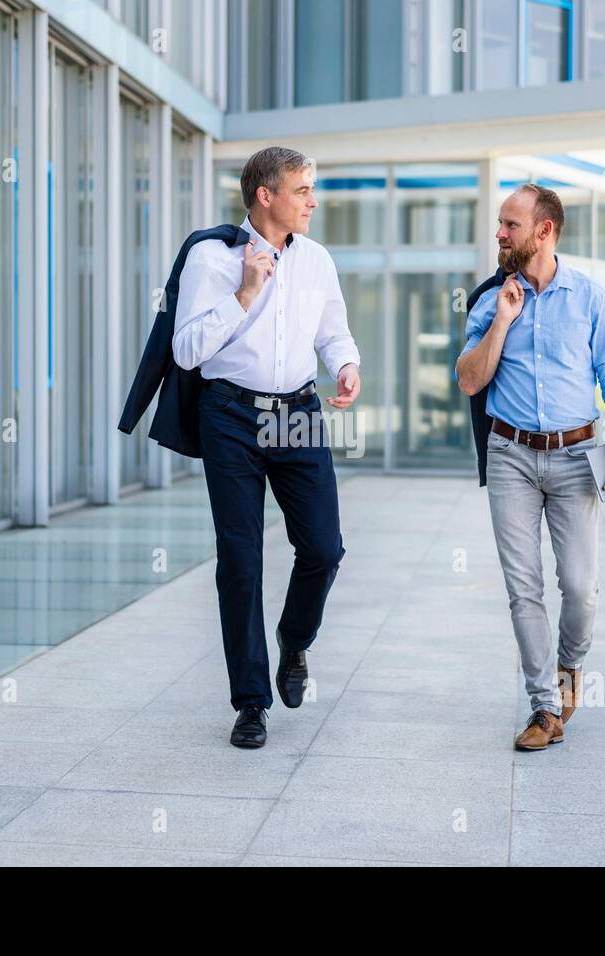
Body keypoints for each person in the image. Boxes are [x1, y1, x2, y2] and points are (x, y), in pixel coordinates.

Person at [172, 146, 362, 749]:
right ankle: (251, 701)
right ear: (266, 195)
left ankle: (294, 640)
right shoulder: (212, 257)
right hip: (230, 413)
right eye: (302, 190)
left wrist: (347, 365)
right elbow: (186, 351)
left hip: (298, 412)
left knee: (324, 549)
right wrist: (245, 292)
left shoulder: (317, 260)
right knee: (241, 562)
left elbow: (333, 329)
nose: (312, 201)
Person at [456, 184, 605, 751]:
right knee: (523, 587)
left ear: (545, 231)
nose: (500, 234)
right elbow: (468, 380)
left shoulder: (589, 297)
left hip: (576, 455)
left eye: (511, 224)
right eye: (501, 224)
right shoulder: (490, 300)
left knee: (580, 588)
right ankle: (543, 707)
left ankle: (568, 671)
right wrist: (502, 323)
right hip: (510, 454)